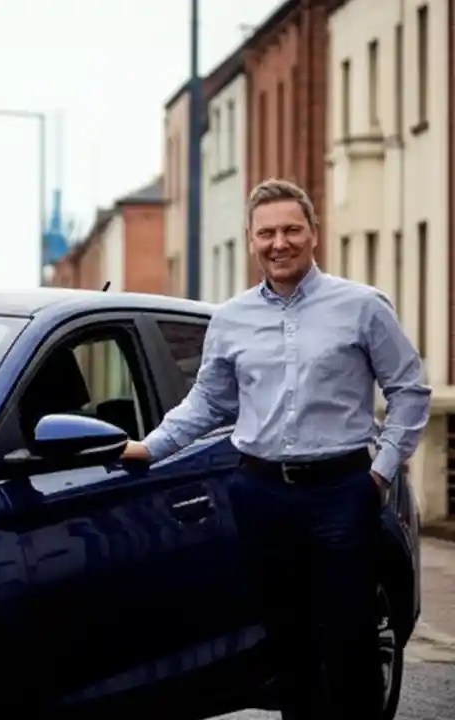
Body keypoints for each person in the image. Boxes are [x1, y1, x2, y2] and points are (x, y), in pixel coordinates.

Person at [122, 178, 431, 719]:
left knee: (351, 644)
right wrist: (149, 448)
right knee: (287, 647)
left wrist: (379, 473)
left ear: (313, 233)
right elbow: (209, 402)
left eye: (291, 230)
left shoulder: (362, 307)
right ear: (251, 239)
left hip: (342, 491)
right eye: (266, 233)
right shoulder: (231, 319)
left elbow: (409, 390)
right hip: (261, 494)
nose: (279, 243)